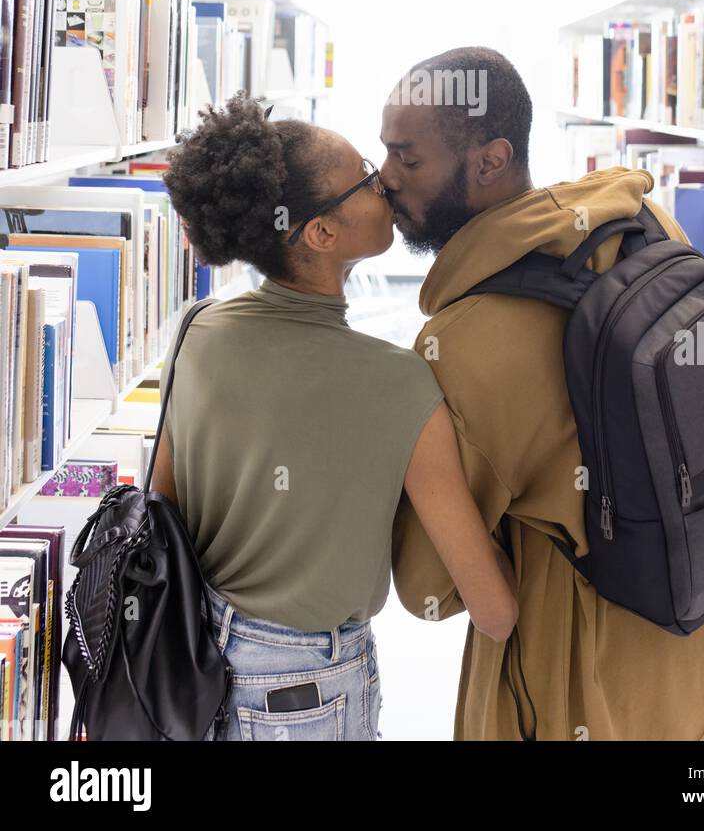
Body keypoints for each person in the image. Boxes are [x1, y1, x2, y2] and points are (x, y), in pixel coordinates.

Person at [382, 46, 704, 742]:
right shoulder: (646, 222)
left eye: (408, 161)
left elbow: (430, 588)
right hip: (695, 620)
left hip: (577, 674)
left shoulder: (464, 342)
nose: (384, 180)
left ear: (490, 160)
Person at [150, 93, 518, 742]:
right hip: (305, 693)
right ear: (320, 233)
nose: (389, 183)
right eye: (369, 182)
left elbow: (162, 511)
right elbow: (491, 609)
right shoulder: (397, 382)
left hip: (191, 665)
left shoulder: (195, 331)